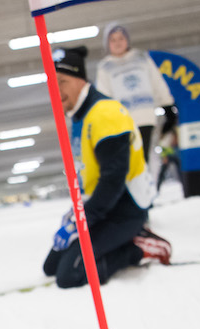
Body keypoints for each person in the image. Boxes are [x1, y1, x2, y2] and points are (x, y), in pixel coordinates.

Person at [43, 46, 172, 289]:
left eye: (61, 82)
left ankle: (137, 247)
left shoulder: (105, 113)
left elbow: (113, 180)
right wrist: (73, 215)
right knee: (50, 266)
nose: (55, 91)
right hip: (103, 207)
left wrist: (83, 219)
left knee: (69, 275)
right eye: (51, 84)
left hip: (124, 210)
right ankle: (113, 243)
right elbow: (88, 174)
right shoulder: (80, 117)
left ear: (81, 80)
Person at [95, 22, 176, 164]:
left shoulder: (141, 58)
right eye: (113, 40)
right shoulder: (105, 67)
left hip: (145, 116)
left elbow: (157, 81)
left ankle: (145, 183)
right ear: (107, 44)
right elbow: (103, 97)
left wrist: (167, 104)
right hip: (122, 121)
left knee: (143, 158)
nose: (118, 43)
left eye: (121, 38)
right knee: (129, 160)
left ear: (127, 39)